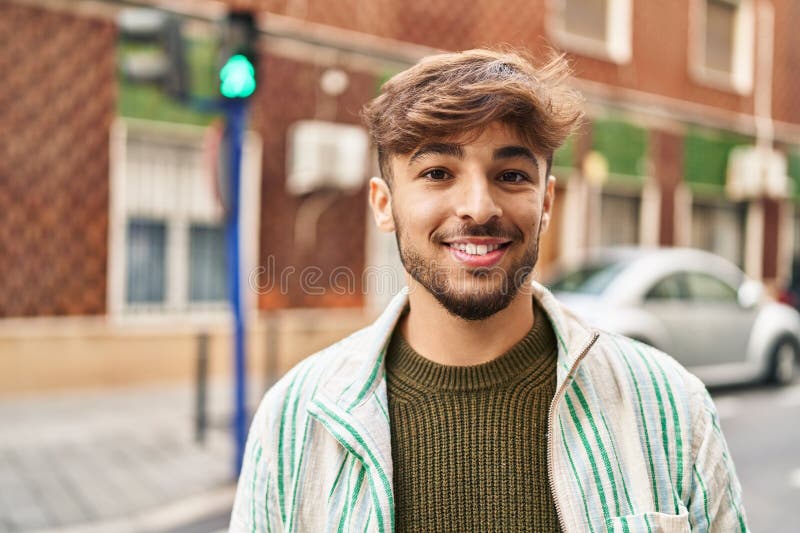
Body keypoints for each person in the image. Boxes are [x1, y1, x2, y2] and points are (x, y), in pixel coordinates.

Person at [229, 48, 748, 533]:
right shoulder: (295, 421)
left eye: (511, 175)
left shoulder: (672, 409)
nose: (478, 207)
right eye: (437, 172)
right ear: (384, 205)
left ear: (546, 201)